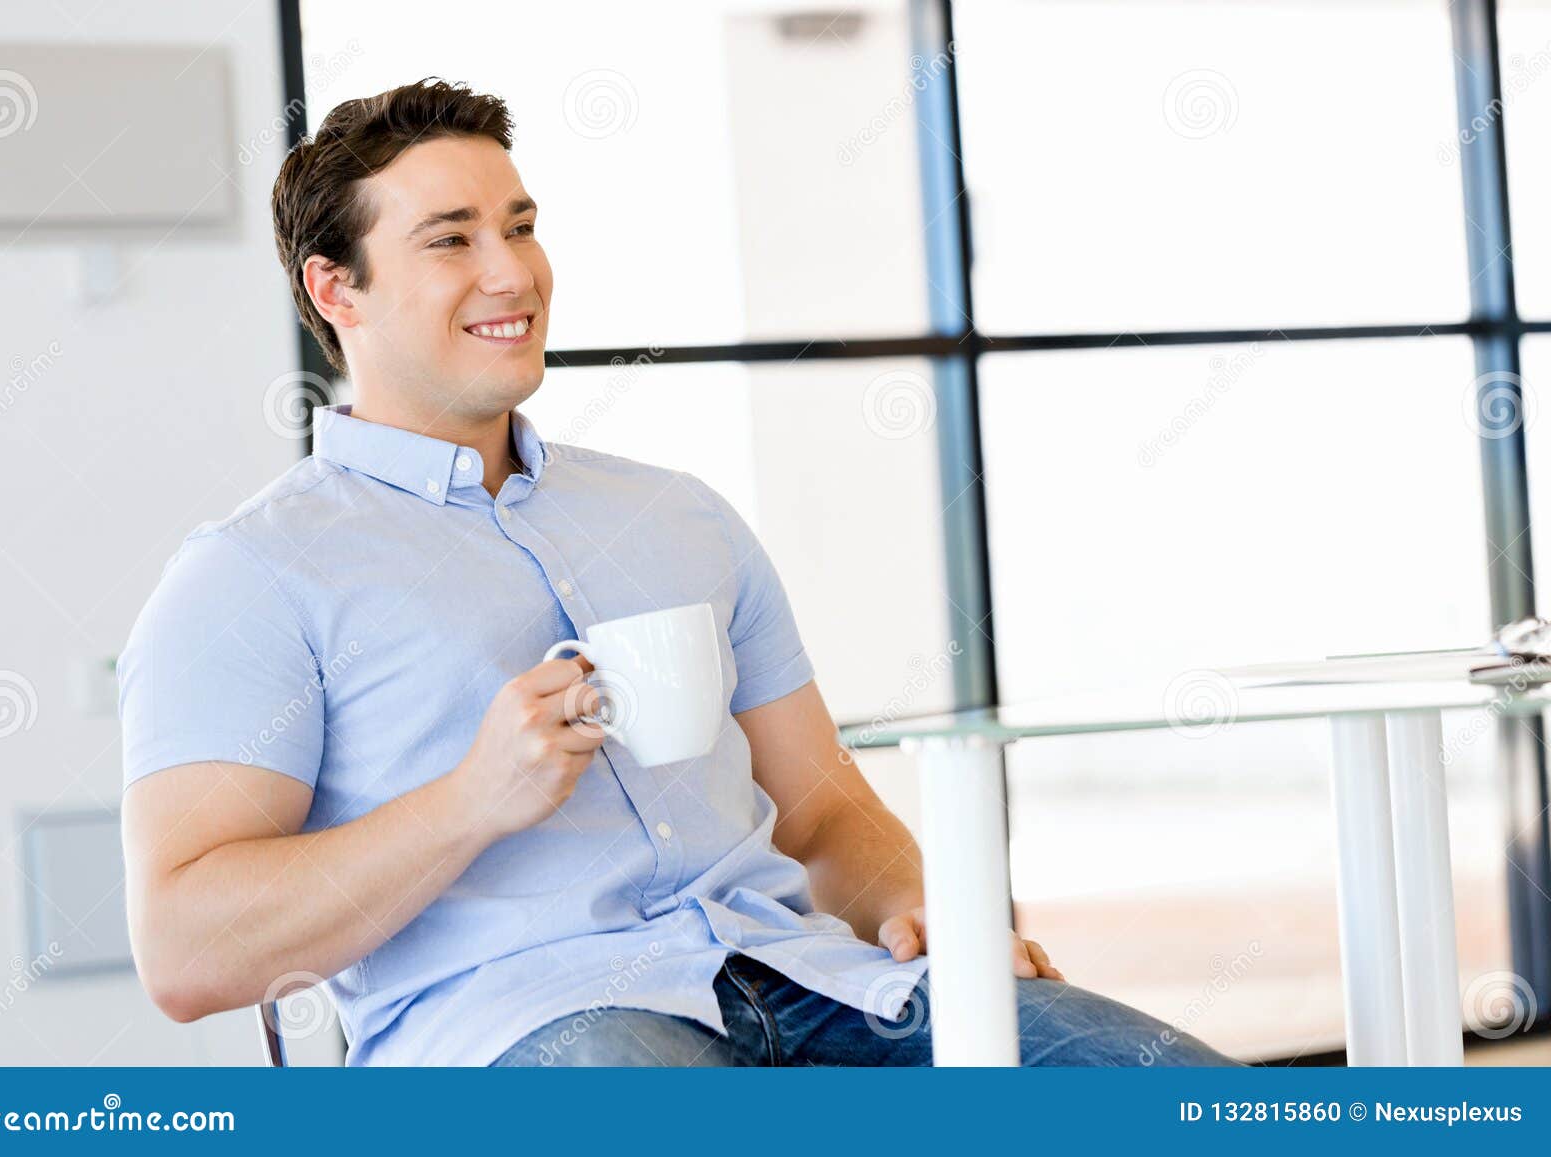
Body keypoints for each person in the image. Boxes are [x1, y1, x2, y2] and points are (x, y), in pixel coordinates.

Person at [117, 78, 1234, 1067]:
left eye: (521, 226)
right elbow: (184, 951)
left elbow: (822, 803)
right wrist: (468, 803)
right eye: (451, 239)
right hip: (528, 1024)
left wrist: (917, 900)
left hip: (820, 985)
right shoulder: (252, 575)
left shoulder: (674, 512)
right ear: (335, 289)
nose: (513, 271)